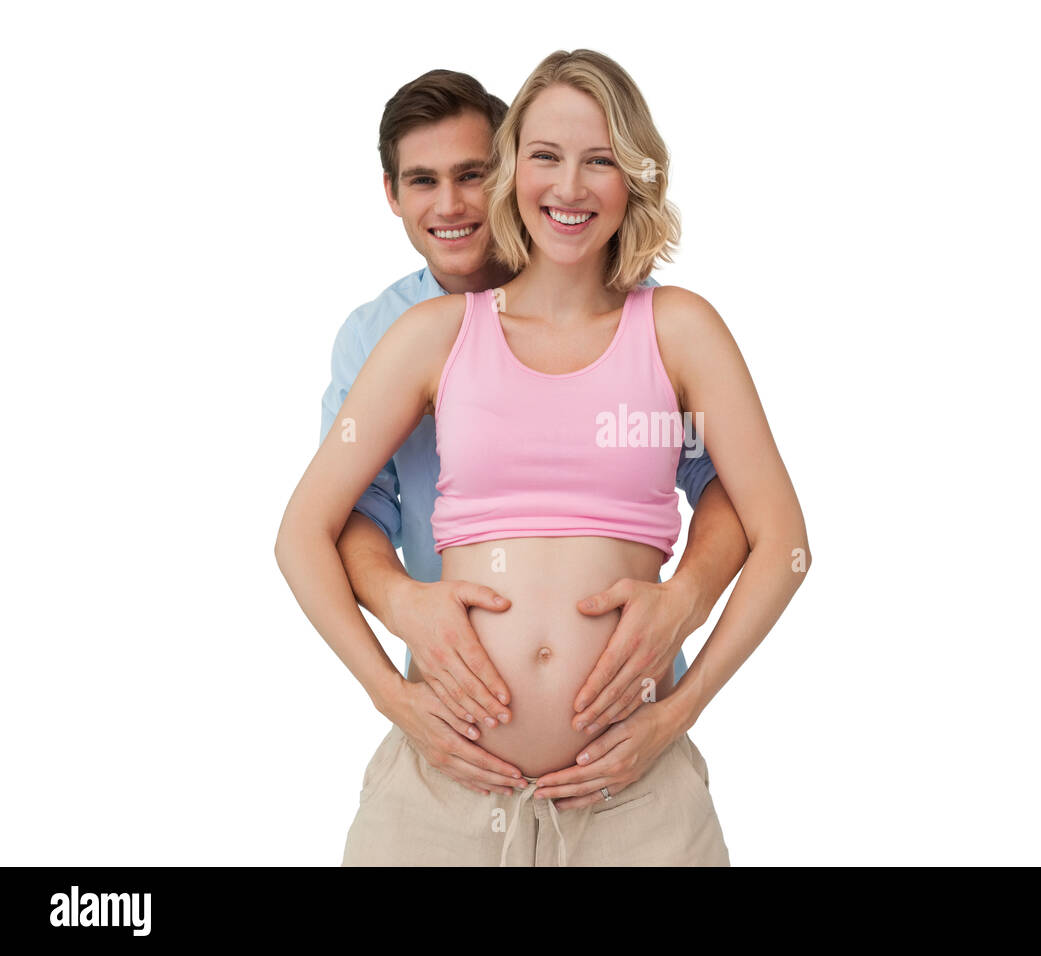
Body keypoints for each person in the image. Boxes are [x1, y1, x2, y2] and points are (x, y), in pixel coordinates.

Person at [275, 51, 811, 865]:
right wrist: (394, 694)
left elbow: (778, 536)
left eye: (600, 159)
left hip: (635, 795)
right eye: (547, 157)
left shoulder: (681, 329)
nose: (568, 187)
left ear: (635, 175)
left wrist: (681, 701)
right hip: (446, 786)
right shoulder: (422, 334)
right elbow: (309, 531)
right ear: (517, 170)